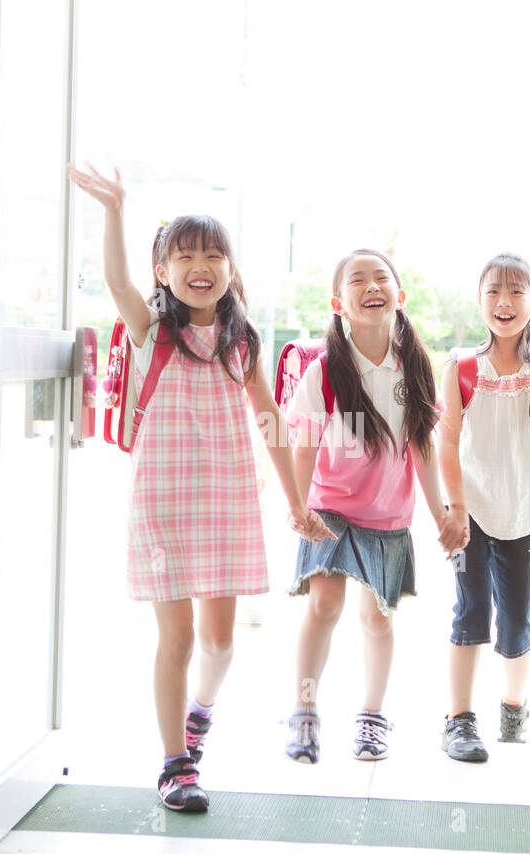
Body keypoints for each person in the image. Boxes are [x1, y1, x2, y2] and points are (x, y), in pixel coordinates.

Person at [67, 161, 333, 812]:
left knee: (219, 639)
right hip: (162, 502)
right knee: (178, 638)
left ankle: (199, 716)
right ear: (164, 271)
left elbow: (269, 416)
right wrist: (114, 212)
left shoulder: (241, 340)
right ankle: (174, 765)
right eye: (184, 255)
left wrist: (296, 500)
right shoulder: (152, 328)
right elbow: (114, 280)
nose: (199, 264)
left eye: (213, 253)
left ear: (229, 269)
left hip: (225, 502)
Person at [283, 248, 464, 763]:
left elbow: (423, 450)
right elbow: (304, 446)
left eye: (381, 277)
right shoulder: (323, 371)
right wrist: (299, 506)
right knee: (324, 606)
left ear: (399, 297)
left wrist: (443, 513)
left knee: (378, 619)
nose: (371, 286)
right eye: (357, 280)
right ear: (338, 303)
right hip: (330, 509)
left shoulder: (416, 368)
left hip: (388, 514)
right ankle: (304, 713)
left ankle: (371, 718)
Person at [436, 252, 530, 761]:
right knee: (471, 611)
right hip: (471, 509)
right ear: (479, 301)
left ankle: (513, 708)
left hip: (521, 514)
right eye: (493, 290)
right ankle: (458, 721)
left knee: (516, 621)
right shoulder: (463, 367)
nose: (504, 301)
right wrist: (453, 507)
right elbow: (445, 443)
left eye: (517, 291)